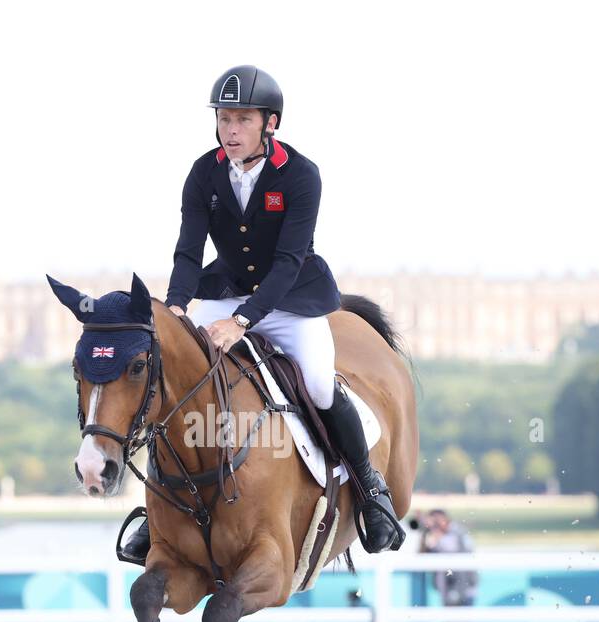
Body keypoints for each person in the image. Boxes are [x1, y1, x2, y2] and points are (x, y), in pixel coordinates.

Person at [120, 64, 404, 562]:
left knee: (317, 382)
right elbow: (188, 252)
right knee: (177, 370)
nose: (230, 130)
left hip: (291, 296)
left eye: (242, 119)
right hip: (224, 289)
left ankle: (369, 489)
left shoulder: (299, 174)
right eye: (224, 119)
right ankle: (159, 510)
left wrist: (242, 322)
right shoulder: (203, 173)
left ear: (269, 123)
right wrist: (179, 306)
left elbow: (289, 261)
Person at [419, 510, 478, 622]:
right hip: (451, 593)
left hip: (462, 592)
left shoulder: (455, 535)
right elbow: (423, 555)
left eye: (436, 521)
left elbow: (459, 564)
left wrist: (456, 593)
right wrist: (425, 534)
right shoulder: (440, 536)